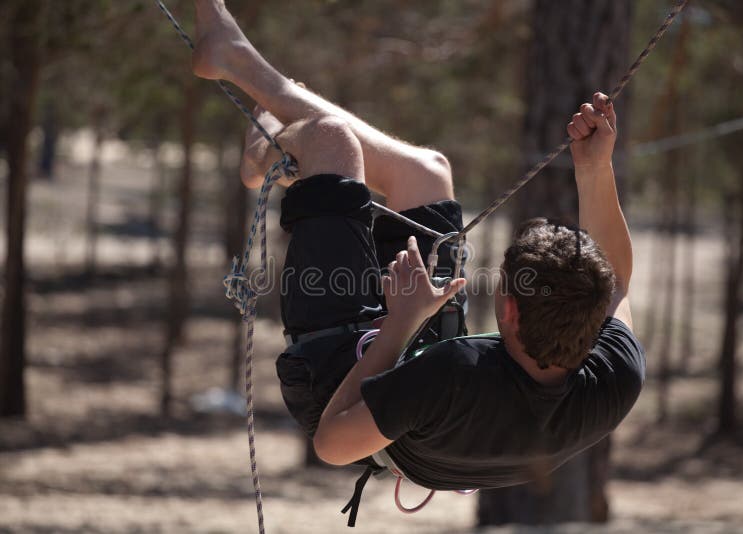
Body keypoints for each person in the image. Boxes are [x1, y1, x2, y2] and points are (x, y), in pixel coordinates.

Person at [191, 0, 644, 523]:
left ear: (511, 312)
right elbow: (619, 278)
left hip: (338, 385)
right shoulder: (612, 378)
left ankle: (258, 133)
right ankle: (239, 64)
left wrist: (403, 321)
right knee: (427, 172)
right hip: (424, 385)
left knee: (329, 141)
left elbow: (334, 444)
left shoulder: (454, 376)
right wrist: (594, 169)